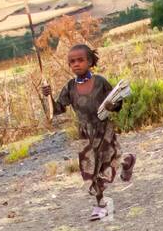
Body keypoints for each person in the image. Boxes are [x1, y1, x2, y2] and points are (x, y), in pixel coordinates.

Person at [41, 44, 134, 221]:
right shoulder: (70, 87)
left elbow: (118, 103)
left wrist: (112, 105)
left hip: (104, 130)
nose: (76, 64)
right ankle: (101, 205)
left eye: (80, 60)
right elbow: (57, 109)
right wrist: (47, 96)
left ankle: (125, 162)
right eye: (72, 62)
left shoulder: (100, 82)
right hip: (85, 135)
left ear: (90, 61)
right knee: (90, 169)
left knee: (108, 162)